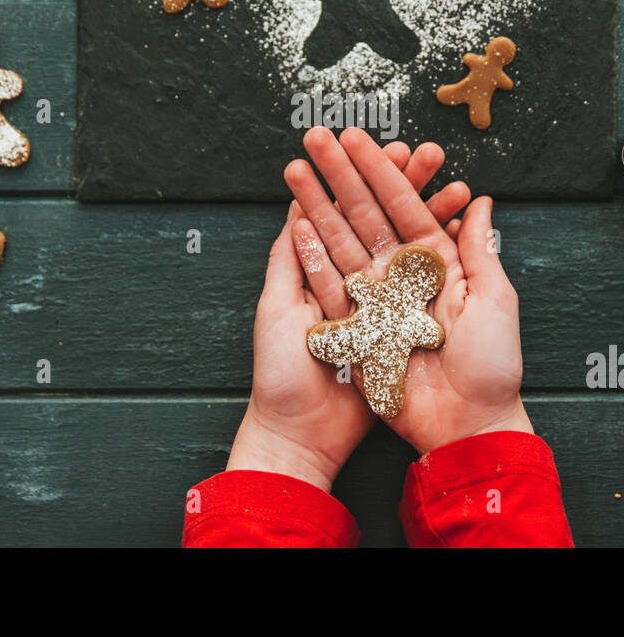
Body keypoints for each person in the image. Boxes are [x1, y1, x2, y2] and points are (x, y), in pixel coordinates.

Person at [182, 127, 573, 547]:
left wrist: (282, 452)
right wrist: (480, 435)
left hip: (376, 346)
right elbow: (376, 298)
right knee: (347, 345)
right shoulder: (381, 296)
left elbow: (418, 324)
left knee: (370, 361)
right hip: (360, 337)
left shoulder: (408, 315)